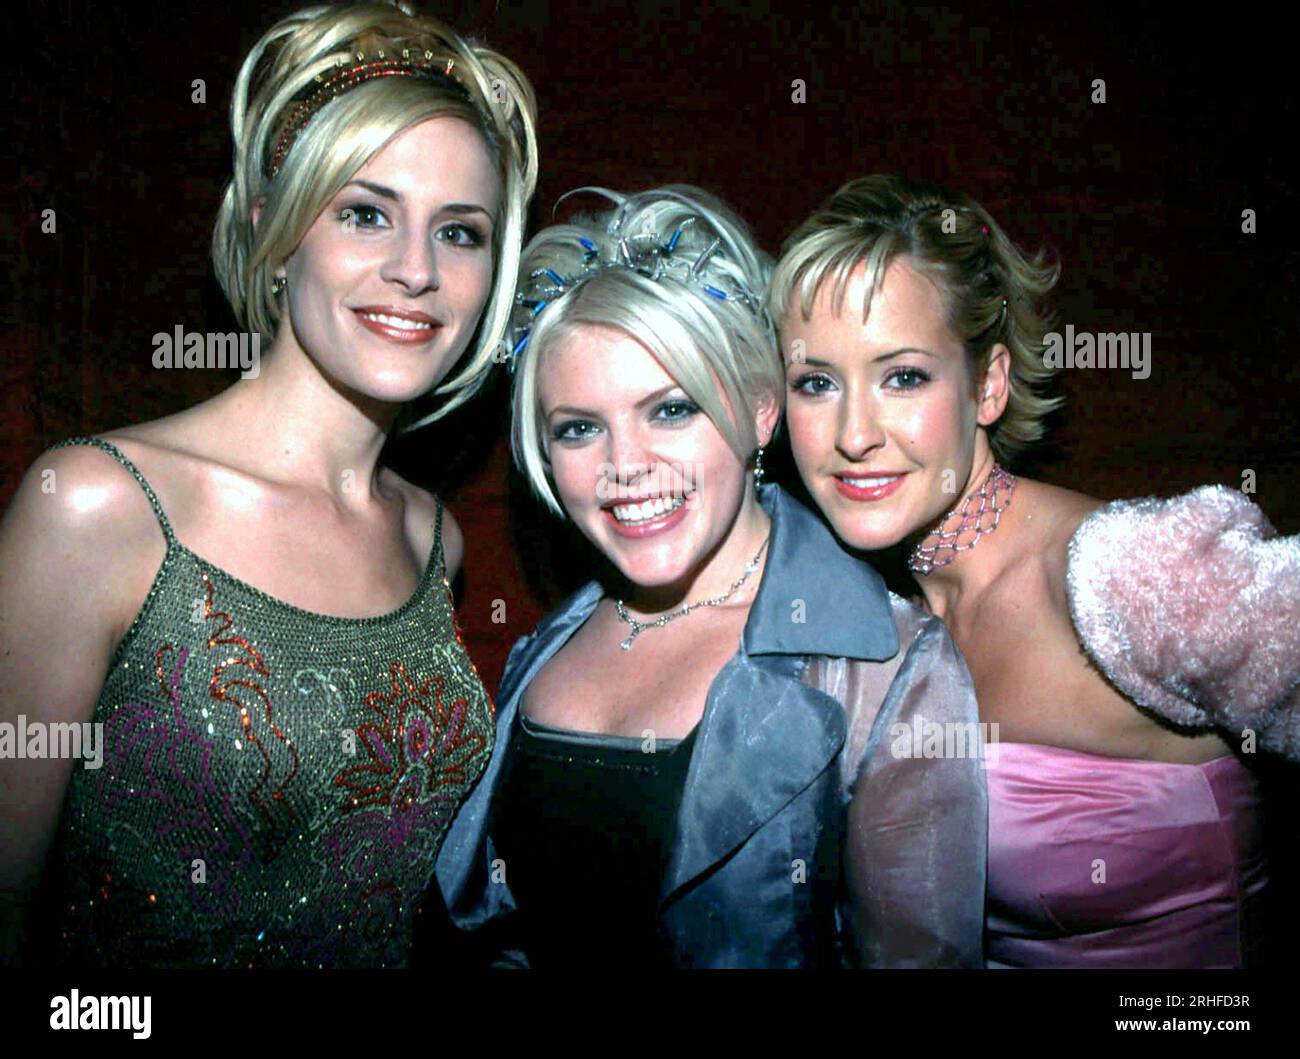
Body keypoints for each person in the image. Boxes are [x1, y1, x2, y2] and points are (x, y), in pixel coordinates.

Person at [0, 0, 538, 968]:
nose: (414, 271)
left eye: (460, 232)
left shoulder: (431, 538)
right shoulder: (99, 506)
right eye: (365, 214)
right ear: (276, 235)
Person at [434, 185, 988, 968]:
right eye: (581, 428)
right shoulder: (543, 648)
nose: (626, 467)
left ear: (763, 407)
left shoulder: (885, 667)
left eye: (670, 410)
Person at [768, 173, 1300, 968]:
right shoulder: (868, 622)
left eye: (903, 376)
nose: (853, 433)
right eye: (817, 382)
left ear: (988, 385)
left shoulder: (1123, 574)